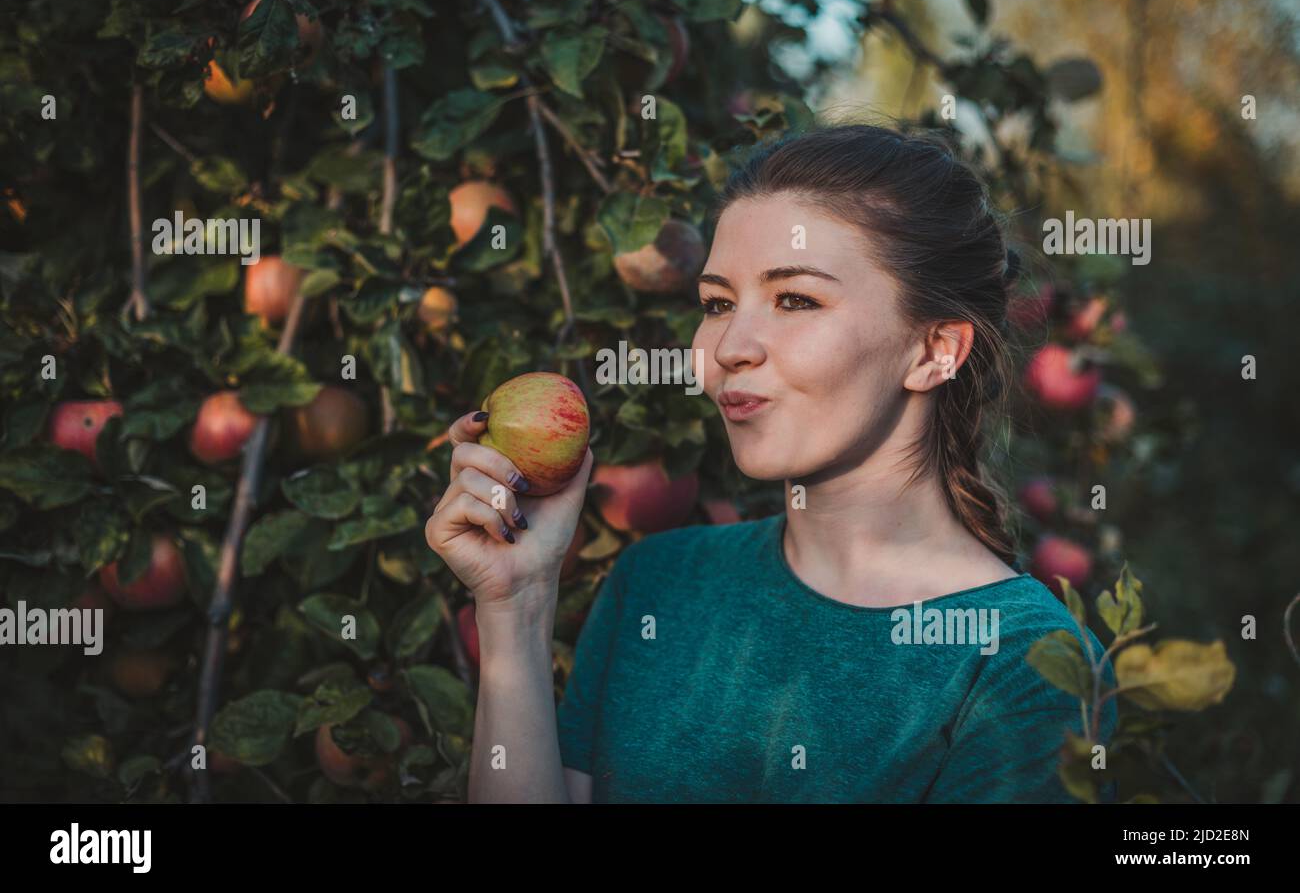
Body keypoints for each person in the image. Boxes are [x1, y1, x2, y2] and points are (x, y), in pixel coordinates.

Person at [425, 123, 1117, 803]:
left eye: (795, 299)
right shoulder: (654, 585)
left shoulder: (1030, 667)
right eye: (718, 303)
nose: (731, 344)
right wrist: (516, 608)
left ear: (936, 350)